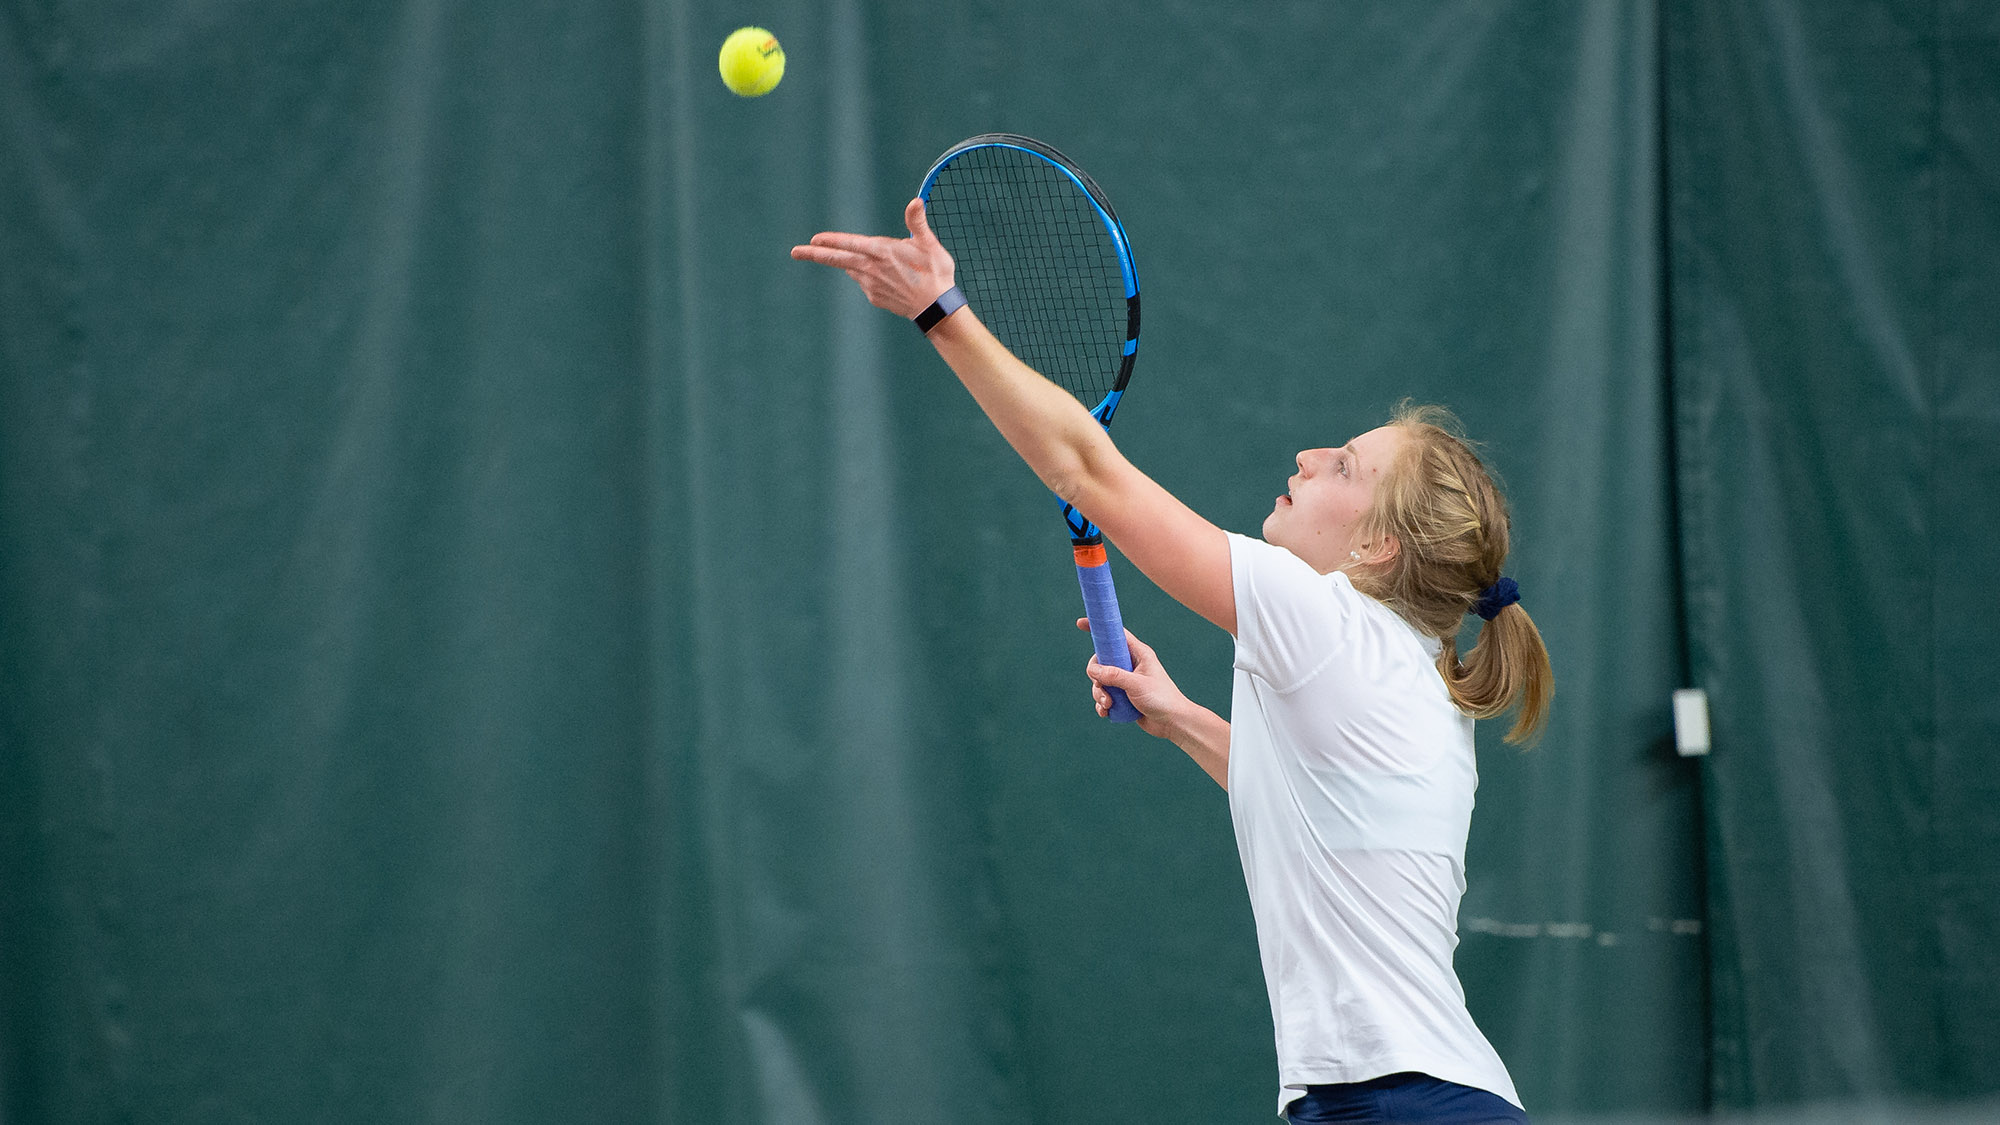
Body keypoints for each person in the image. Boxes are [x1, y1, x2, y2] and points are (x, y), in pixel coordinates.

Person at [793, 199, 1552, 1124]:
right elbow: (1314, 814)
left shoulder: (1321, 616)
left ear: (1377, 550)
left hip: (1396, 1104)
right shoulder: (1420, 671)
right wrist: (1181, 714)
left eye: (1345, 466)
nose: (1309, 456)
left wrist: (940, 309)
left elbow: (1086, 466)